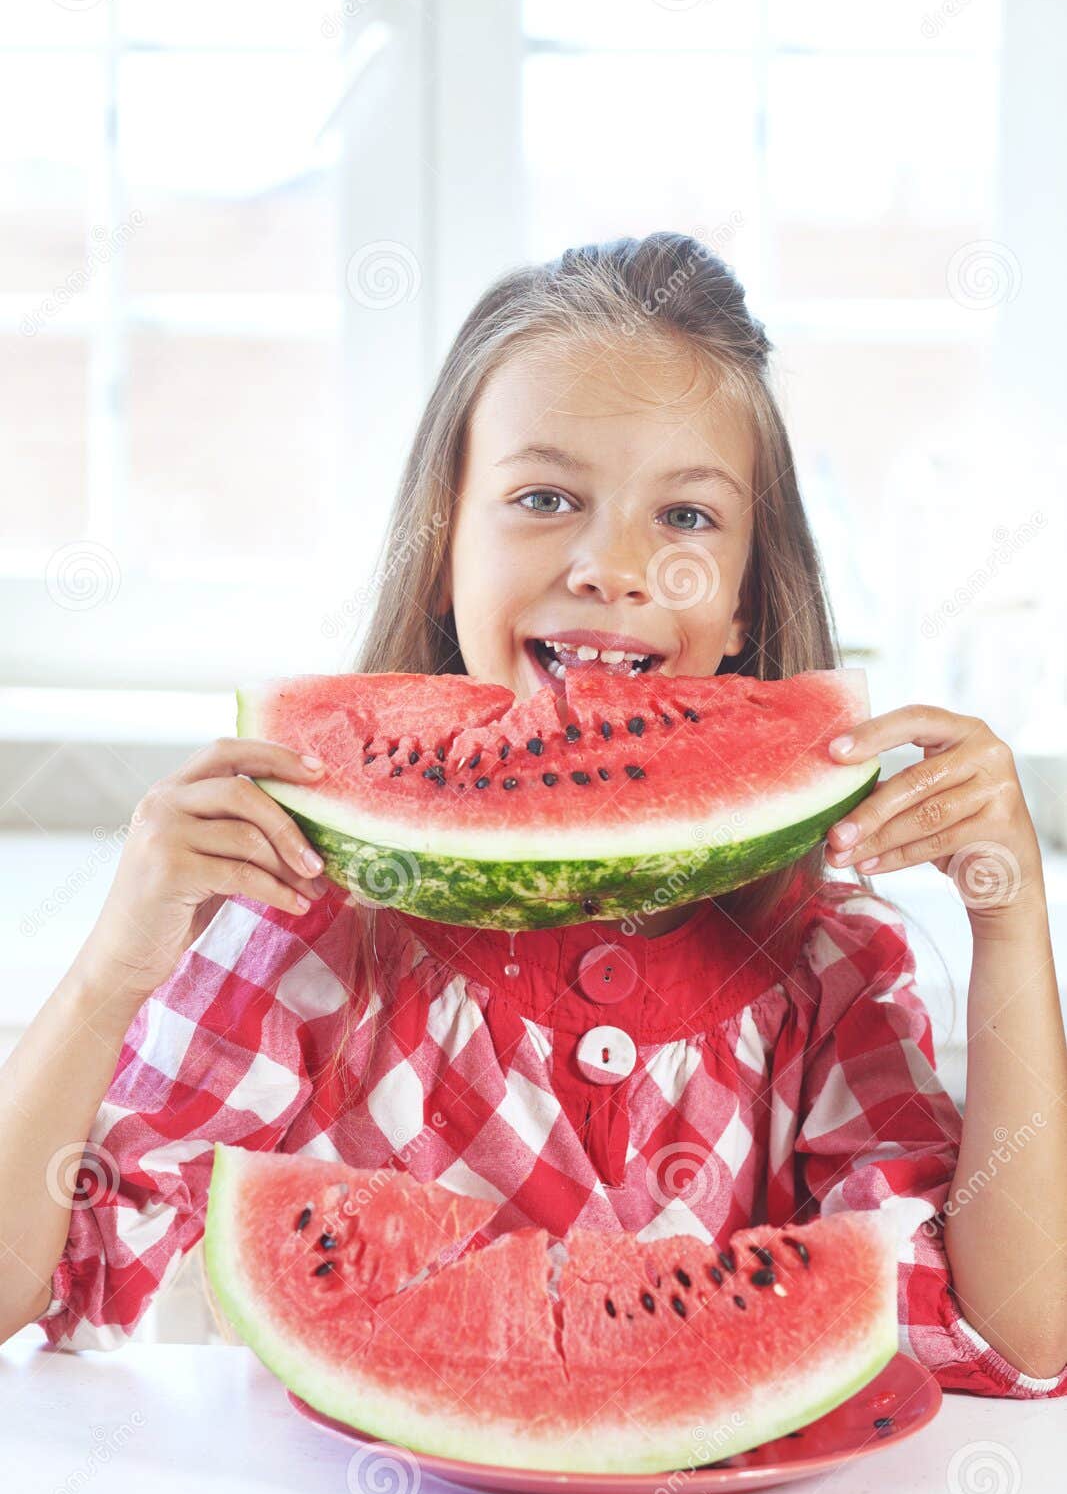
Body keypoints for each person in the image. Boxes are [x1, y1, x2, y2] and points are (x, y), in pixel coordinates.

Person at [3, 234, 1064, 1403]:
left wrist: (1009, 925)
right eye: (544, 498)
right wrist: (111, 970)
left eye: (687, 519)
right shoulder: (307, 928)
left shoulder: (822, 966)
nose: (613, 566)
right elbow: (45, 1283)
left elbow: (1012, 1335)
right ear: (438, 556)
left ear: (752, 598)